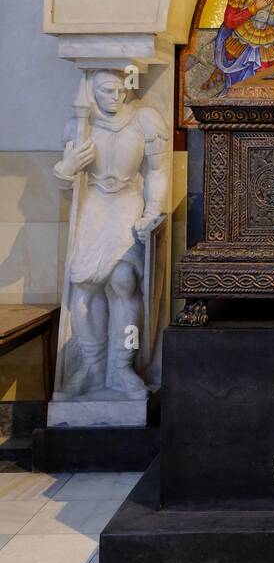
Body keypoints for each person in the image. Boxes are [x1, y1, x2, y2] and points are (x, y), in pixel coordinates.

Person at [54, 70, 169, 399]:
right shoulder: (80, 125)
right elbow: (66, 190)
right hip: (93, 207)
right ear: (92, 90)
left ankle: (122, 365)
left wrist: (152, 211)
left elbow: (158, 172)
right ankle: (92, 366)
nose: (116, 96)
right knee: (85, 289)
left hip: (126, 206)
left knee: (123, 282)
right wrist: (67, 167)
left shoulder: (144, 120)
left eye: (121, 90)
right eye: (107, 90)